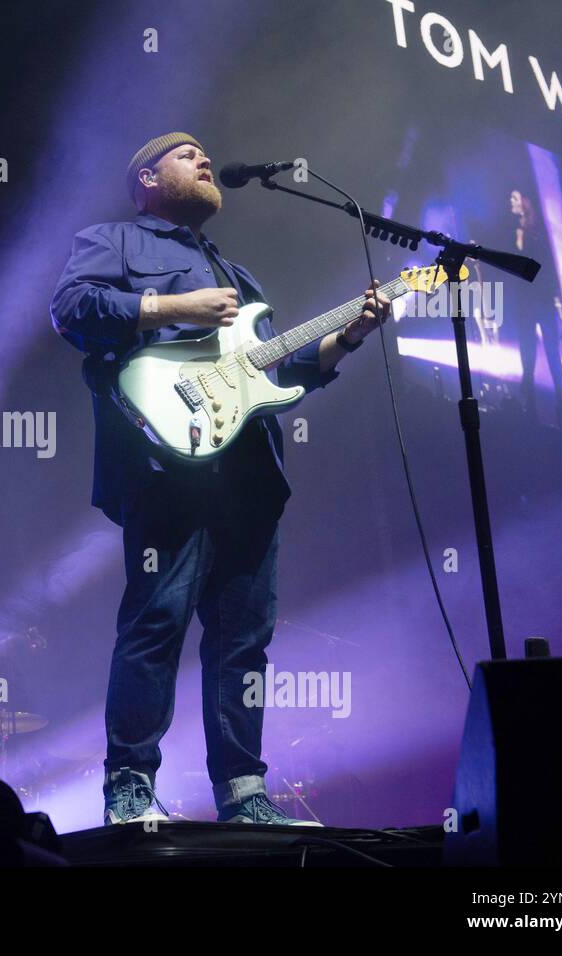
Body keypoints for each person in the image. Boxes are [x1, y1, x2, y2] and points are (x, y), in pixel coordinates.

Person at [49, 133, 390, 827]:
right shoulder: (114, 240)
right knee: (156, 622)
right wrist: (175, 309)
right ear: (147, 179)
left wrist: (350, 335)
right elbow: (72, 309)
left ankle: (243, 794)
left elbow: (278, 377)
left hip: (248, 477)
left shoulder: (240, 278)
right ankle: (130, 788)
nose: (204, 160)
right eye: (186, 155)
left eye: (204, 154)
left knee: (244, 641)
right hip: (165, 465)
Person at [506, 188, 562, 423]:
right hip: (524, 299)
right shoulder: (512, 229)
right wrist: (518, 237)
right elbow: (515, 261)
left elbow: (546, 264)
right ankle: (529, 401)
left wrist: (556, 299)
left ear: (525, 201)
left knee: (552, 349)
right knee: (527, 350)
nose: (511, 201)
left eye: (515, 197)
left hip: (542, 297)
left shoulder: (538, 229)